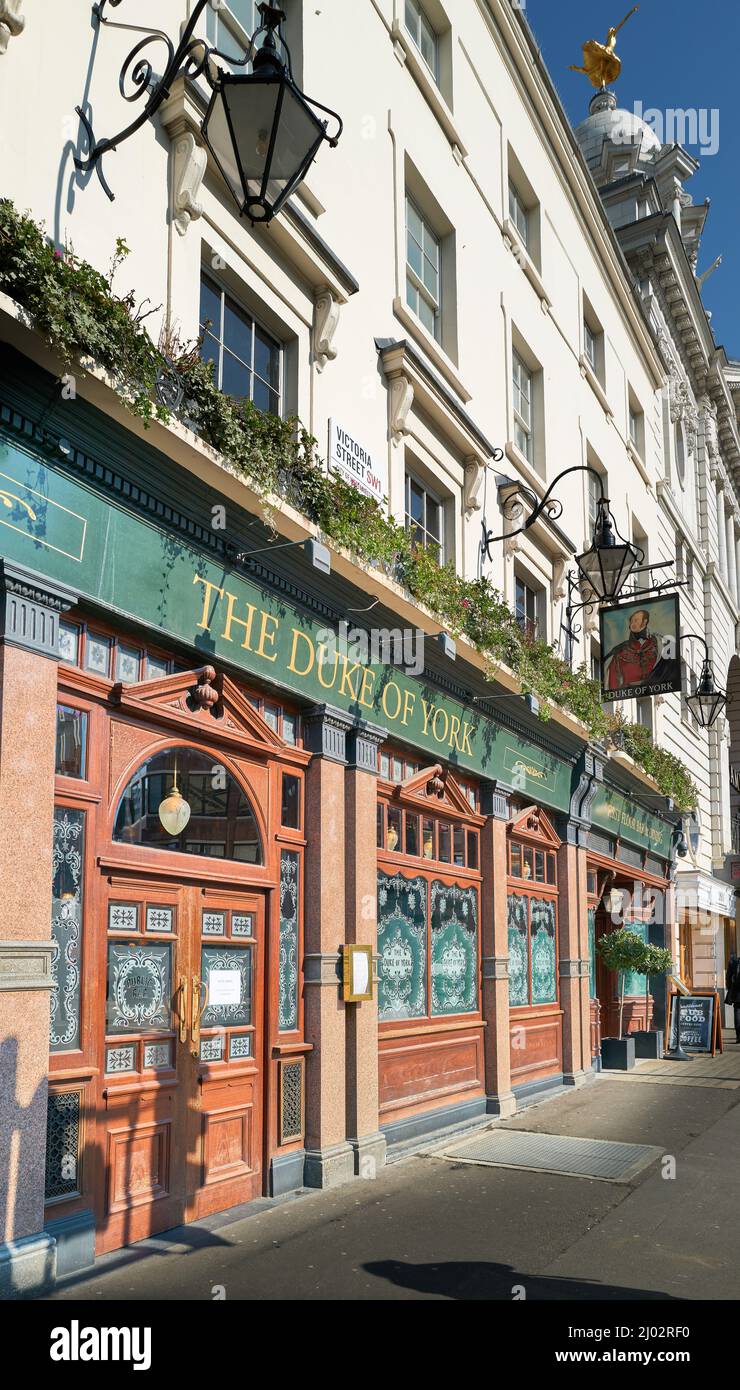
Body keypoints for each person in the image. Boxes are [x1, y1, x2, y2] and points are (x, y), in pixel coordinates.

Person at [604, 609, 658, 693]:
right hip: (627, 694)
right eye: (631, 621)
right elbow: (613, 680)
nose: (633, 623)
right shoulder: (620, 650)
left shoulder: (658, 643)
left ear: (645, 622)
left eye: (636, 620)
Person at [726, 954, 740, 1043]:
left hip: (736, 994)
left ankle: (739, 1036)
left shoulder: (734, 962)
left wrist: (730, 988)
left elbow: (728, 978)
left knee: (737, 1014)